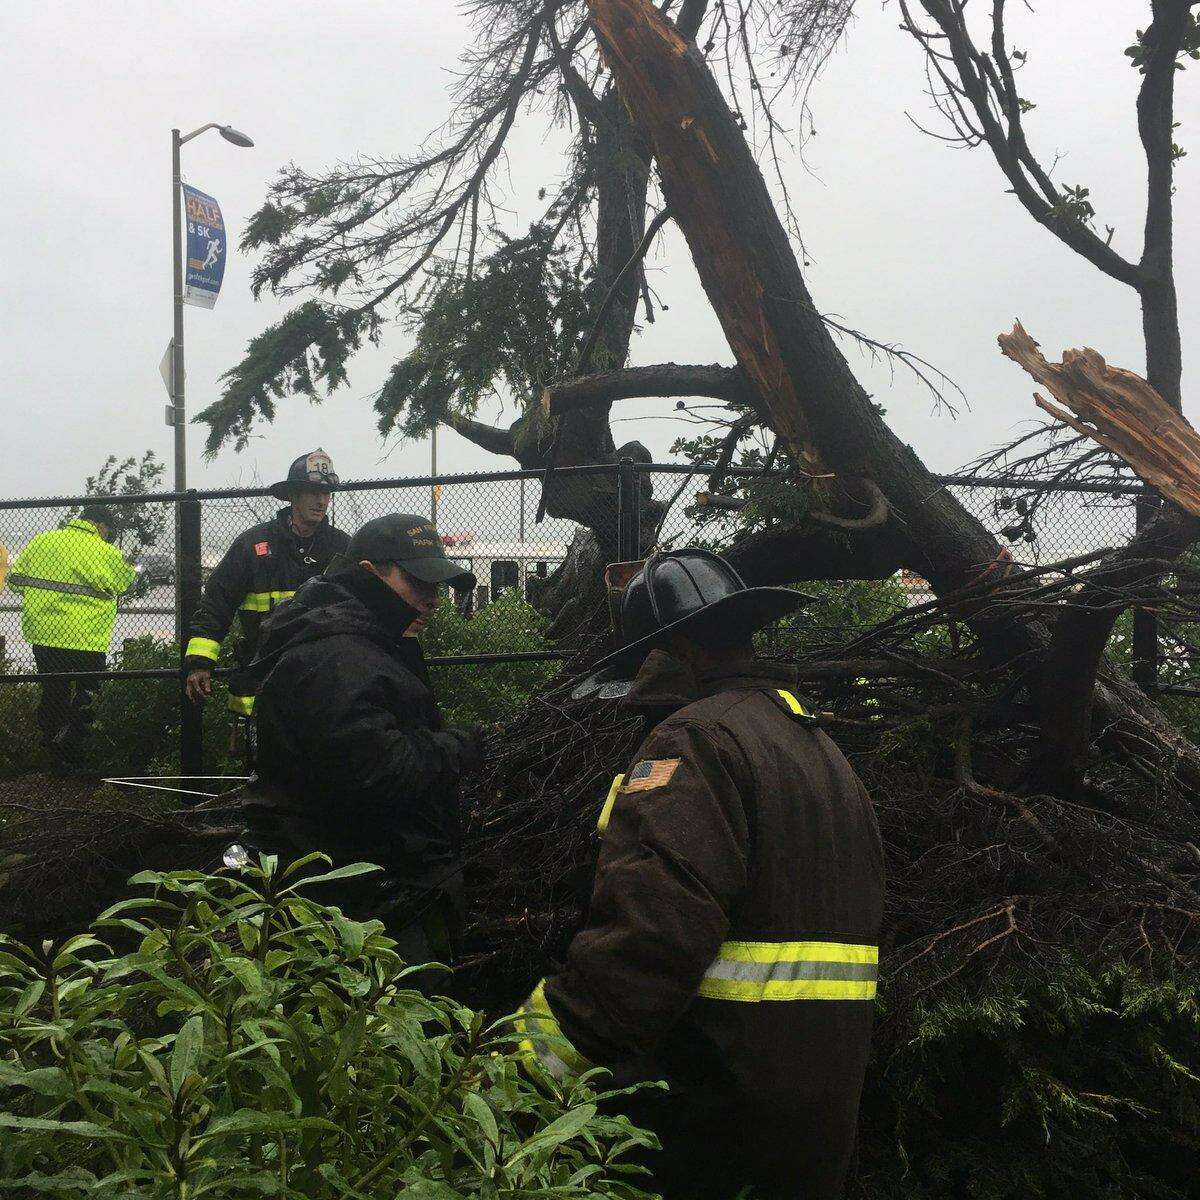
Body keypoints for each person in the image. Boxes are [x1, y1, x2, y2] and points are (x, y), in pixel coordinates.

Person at [515, 549, 885, 1200]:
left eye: (641, 663)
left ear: (672, 652)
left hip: (721, 1102)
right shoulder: (814, 745)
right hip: (815, 1111)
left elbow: (654, 931)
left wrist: (529, 1061)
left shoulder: (696, 740)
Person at [238, 513, 484, 976]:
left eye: (438, 587)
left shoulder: (371, 637)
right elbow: (381, 771)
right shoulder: (340, 658)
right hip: (354, 893)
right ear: (371, 573)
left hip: (367, 874)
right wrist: (464, 745)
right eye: (418, 584)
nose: (432, 601)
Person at [184, 449, 349, 724]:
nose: (321, 501)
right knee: (262, 766)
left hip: (325, 684)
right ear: (293, 495)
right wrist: (200, 663)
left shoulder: (343, 549)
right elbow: (217, 602)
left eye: (326, 493)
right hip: (261, 687)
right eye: (312, 492)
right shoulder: (252, 545)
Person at [8, 504, 137, 756]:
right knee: (90, 692)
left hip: (45, 633)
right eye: (107, 531)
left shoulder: (42, 541)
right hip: (86, 637)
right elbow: (125, 583)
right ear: (101, 526)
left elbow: (16, 581)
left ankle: (50, 744)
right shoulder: (105, 551)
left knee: (53, 690)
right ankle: (72, 744)